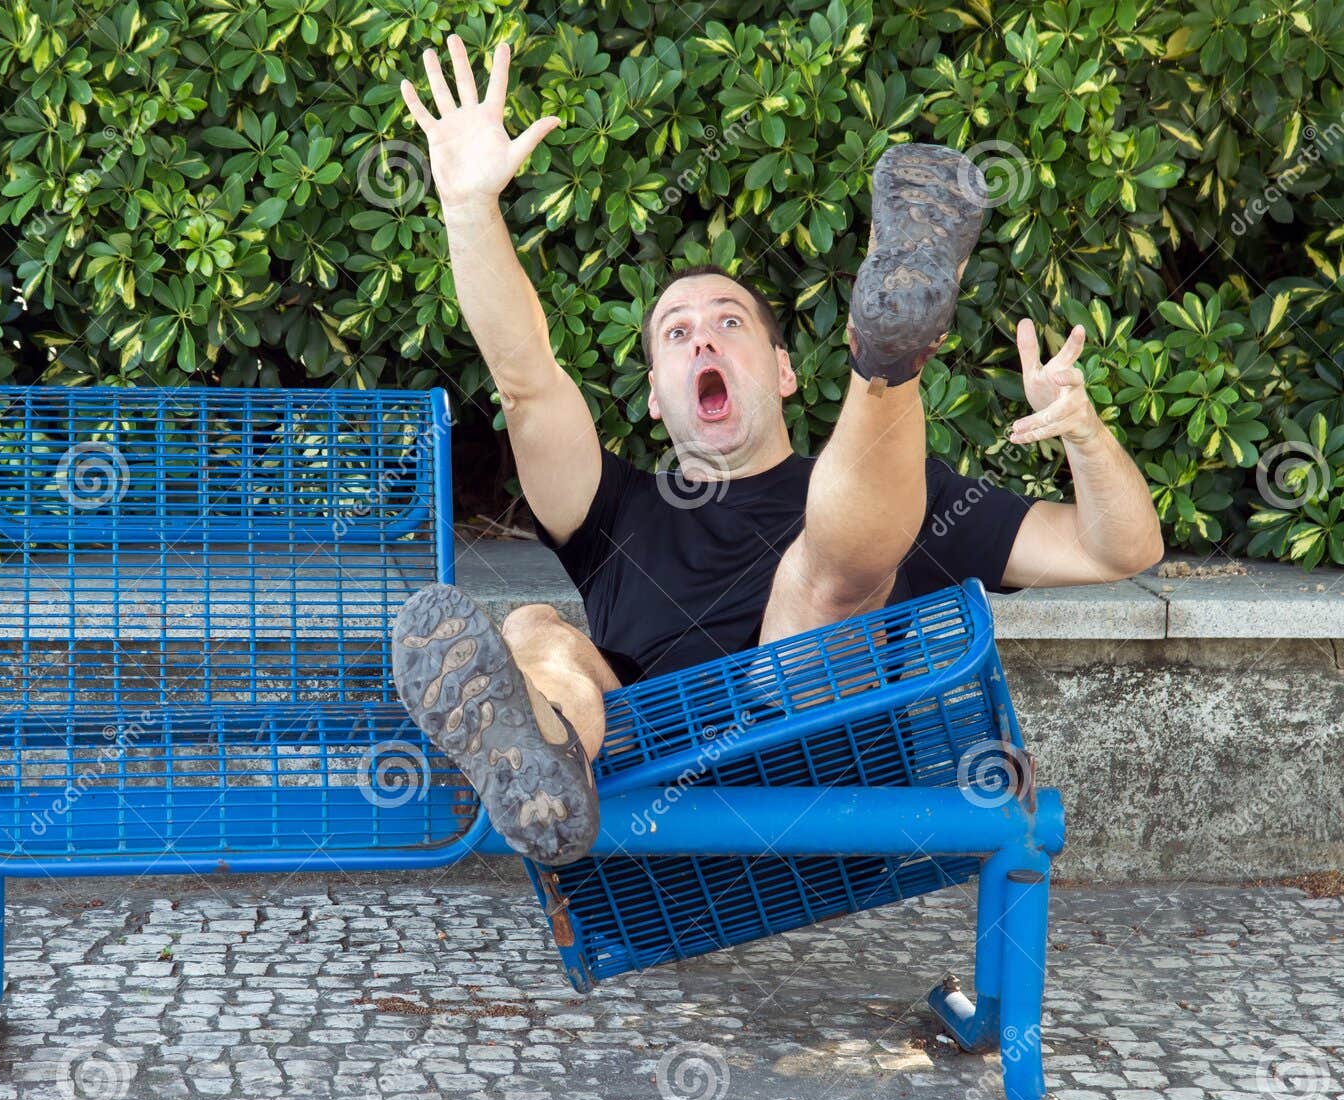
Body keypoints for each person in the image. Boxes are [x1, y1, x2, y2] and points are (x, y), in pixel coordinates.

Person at [389, 36, 1164, 866]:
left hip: (819, 796)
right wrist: (468, 208)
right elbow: (527, 383)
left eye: (729, 322)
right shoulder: (607, 509)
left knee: (823, 574)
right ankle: (546, 770)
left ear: (785, 371)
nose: (702, 340)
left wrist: (1085, 433)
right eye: (676, 333)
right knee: (536, 629)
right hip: (641, 804)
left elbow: (1119, 549)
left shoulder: (907, 492)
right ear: (654, 397)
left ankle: (888, 361)